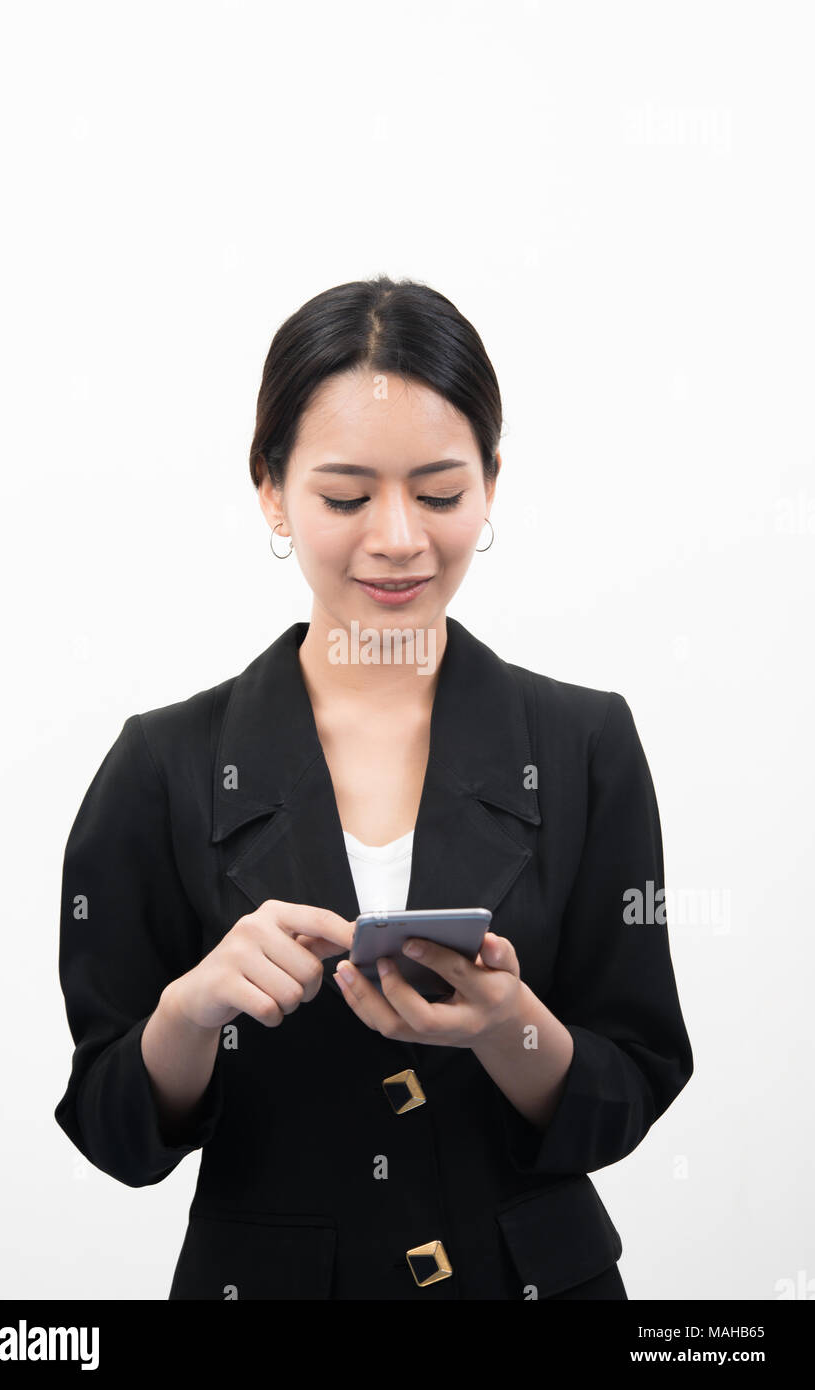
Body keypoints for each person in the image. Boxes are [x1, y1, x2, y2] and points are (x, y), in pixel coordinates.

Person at [54, 275, 694, 1300]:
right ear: (270, 488)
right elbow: (114, 1128)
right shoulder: (162, 765)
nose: (399, 537)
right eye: (346, 496)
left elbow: (631, 1086)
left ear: (491, 481)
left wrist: (506, 1023)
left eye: (441, 493)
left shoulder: (584, 743)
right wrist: (193, 1010)